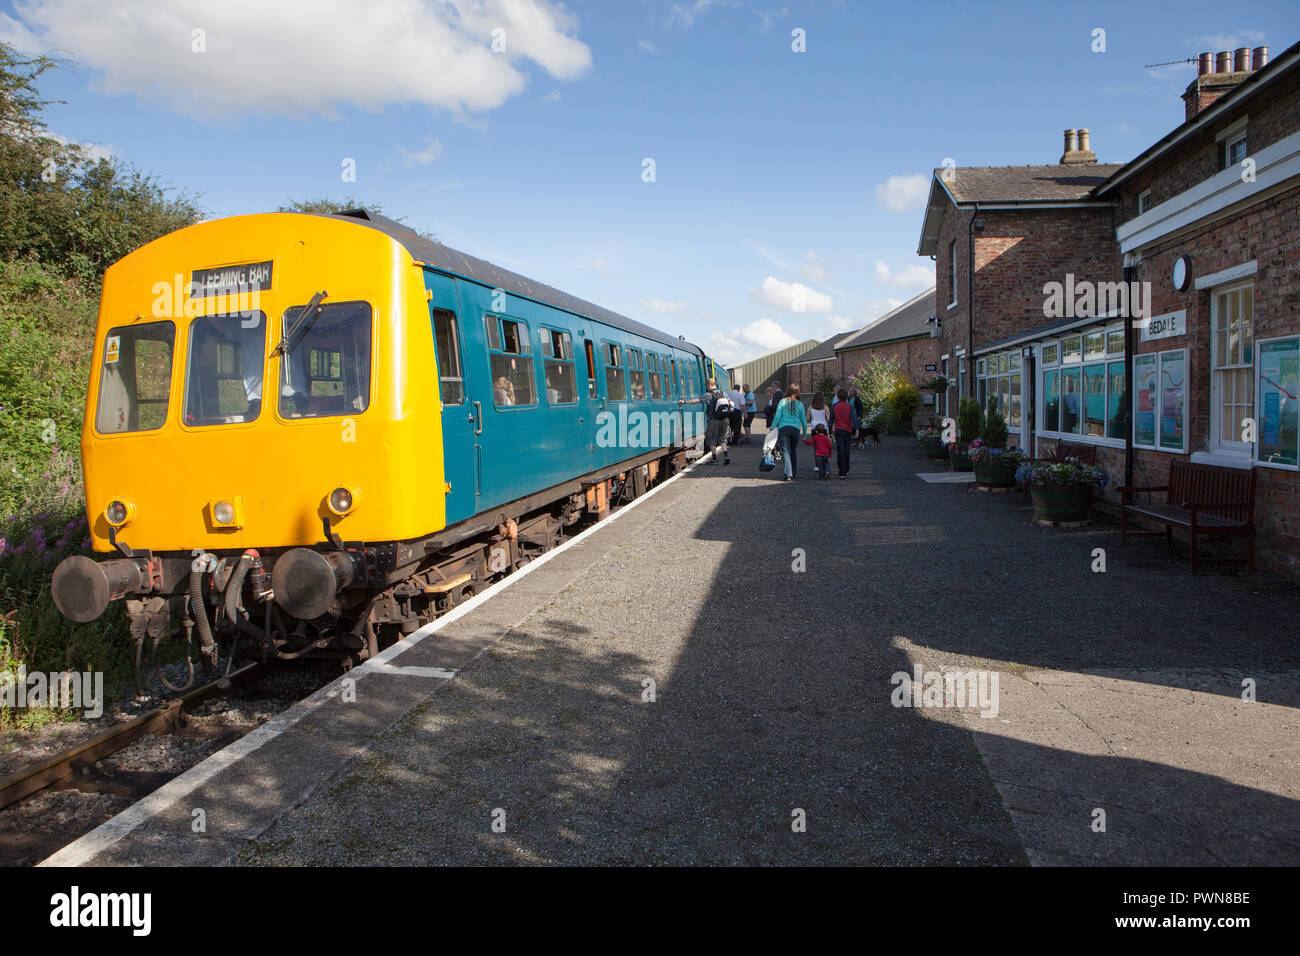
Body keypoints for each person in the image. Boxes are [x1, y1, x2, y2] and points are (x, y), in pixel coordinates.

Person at [769, 383, 806, 481]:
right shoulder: (800, 404)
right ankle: (793, 472)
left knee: (785, 451)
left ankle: (788, 474)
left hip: (784, 428)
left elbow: (777, 416)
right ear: (798, 392)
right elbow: (803, 420)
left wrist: (773, 426)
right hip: (795, 429)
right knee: (793, 451)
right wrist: (805, 433)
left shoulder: (782, 402)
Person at [831, 387, 859, 478]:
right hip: (848, 430)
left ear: (838, 397)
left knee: (840, 450)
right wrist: (857, 429)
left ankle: (842, 471)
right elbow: (854, 418)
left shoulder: (834, 406)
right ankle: (846, 469)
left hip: (838, 430)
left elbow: (831, 419)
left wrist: (829, 429)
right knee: (847, 450)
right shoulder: (850, 407)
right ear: (846, 397)